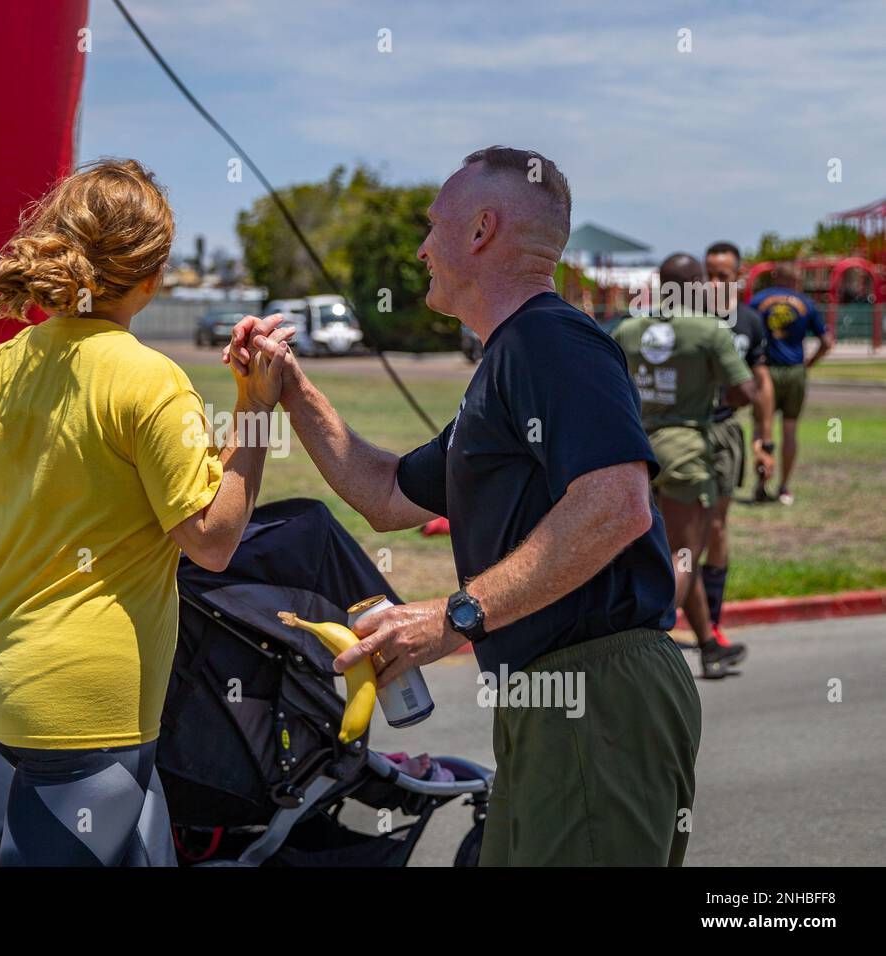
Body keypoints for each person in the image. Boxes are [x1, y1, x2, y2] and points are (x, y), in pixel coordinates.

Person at [229, 146, 701, 865]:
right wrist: (290, 386)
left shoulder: (550, 340)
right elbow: (386, 495)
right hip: (555, 696)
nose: (420, 248)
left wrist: (455, 617)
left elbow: (616, 506)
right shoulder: (513, 357)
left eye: (431, 227)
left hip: (595, 693)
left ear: (479, 231)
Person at [0, 159, 292, 867]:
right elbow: (213, 540)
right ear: (152, 276)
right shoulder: (149, 379)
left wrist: (28, 499)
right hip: (84, 705)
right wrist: (254, 408)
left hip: (4, 677)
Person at [613, 254, 756, 678]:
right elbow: (745, 391)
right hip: (686, 449)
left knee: (663, 552)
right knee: (686, 555)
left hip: (636, 449)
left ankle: (709, 646)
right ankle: (636, 646)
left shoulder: (629, 327)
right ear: (696, 283)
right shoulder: (709, 329)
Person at [702, 242, 774, 651]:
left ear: (738, 278)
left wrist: (766, 441)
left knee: (715, 526)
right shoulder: (687, 317)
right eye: (708, 273)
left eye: (722, 275)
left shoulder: (749, 321)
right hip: (685, 432)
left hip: (726, 432)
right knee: (674, 530)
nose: (713, 281)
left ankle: (711, 621)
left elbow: (762, 385)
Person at [750, 261, 833, 505]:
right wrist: (809, 364)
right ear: (796, 279)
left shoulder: (758, 300)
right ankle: (784, 487)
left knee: (762, 429)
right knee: (789, 430)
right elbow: (827, 341)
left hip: (765, 370)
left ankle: (761, 483)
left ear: (775, 276)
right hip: (795, 371)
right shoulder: (806, 304)